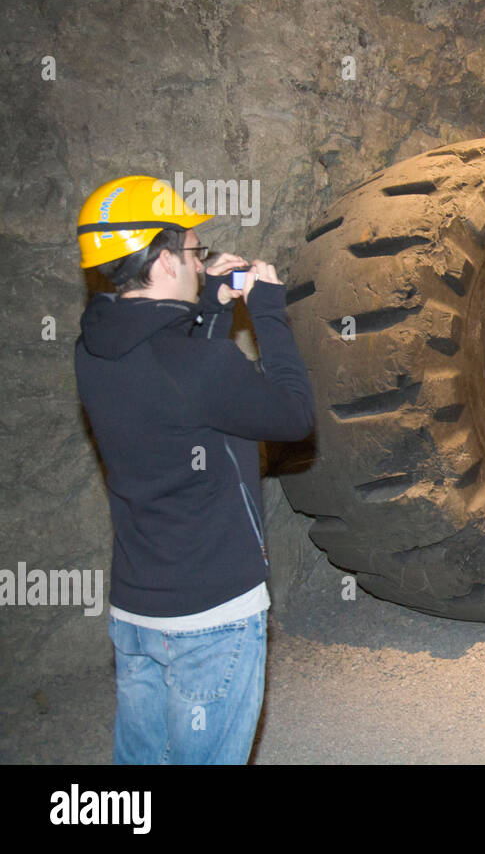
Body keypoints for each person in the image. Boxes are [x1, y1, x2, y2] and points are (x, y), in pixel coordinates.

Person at [74, 175, 314, 763]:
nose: (201, 262)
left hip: (137, 610)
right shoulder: (204, 367)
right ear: (162, 260)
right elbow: (293, 416)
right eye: (192, 251)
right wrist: (268, 313)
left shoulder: (91, 349)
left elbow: (176, 386)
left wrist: (208, 307)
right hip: (212, 618)